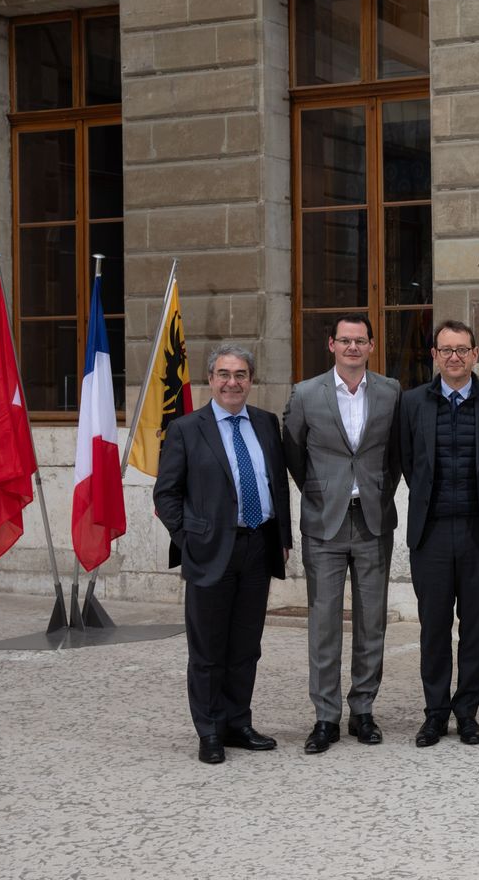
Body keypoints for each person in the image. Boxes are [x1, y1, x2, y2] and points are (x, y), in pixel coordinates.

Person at [154, 345, 292, 764]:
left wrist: (282, 537)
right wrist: (191, 538)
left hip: (258, 546)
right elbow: (167, 493)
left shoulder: (267, 424)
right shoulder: (185, 429)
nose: (233, 382)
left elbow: (278, 485)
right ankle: (210, 730)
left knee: (246, 646)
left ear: (252, 379)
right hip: (211, 550)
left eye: (241, 374)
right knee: (208, 648)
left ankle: (237, 722)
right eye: (224, 374)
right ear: (210, 379)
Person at [282, 314, 402, 754]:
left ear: (372, 346)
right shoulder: (305, 393)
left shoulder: (390, 392)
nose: (353, 348)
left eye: (361, 341)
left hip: (372, 519)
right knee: (324, 621)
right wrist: (320, 492)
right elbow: (293, 451)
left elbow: (396, 456)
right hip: (324, 523)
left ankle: (363, 709)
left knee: (373, 620)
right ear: (331, 345)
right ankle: (325, 716)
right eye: (345, 341)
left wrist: (377, 492)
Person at [396, 320, 479, 748]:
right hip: (431, 533)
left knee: (476, 627)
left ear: (476, 354)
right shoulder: (411, 404)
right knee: (434, 626)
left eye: (462, 349)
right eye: (446, 350)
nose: (454, 357)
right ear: (434, 356)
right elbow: (408, 463)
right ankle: (434, 713)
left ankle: (467, 712)